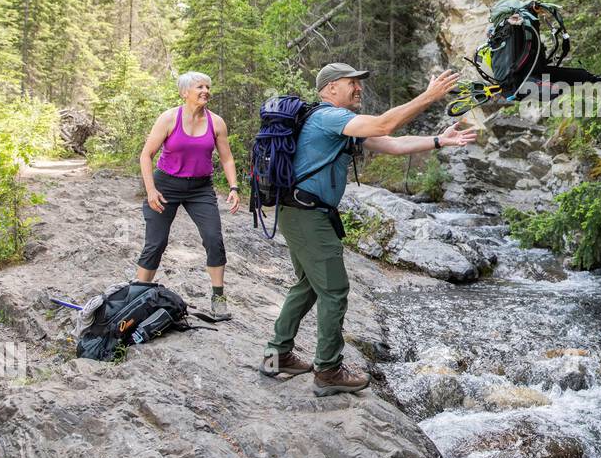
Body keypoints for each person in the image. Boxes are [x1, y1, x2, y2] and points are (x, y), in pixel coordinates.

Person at [260, 63, 477, 396]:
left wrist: (439, 141)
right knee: (334, 291)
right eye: (352, 83)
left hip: (301, 212)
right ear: (330, 88)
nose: (359, 88)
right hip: (308, 215)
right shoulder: (329, 117)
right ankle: (328, 371)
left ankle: (277, 357)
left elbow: (391, 142)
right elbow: (385, 123)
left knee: (308, 286)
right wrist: (428, 97)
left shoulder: (336, 124)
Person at [138, 71, 239, 320]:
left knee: (214, 239)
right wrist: (151, 190)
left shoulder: (216, 123)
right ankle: (137, 295)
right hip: (166, 185)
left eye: (207, 86)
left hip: (200, 188)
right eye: (199, 87)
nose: (205, 91)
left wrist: (234, 187)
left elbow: (226, 157)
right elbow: (146, 155)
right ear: (185, 92)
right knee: (156, 242)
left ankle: (218, 297)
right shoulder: (169, 118)